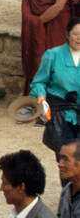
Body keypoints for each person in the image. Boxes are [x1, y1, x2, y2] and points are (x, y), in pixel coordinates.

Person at [21, 0, 73, 93]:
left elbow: (58, 6)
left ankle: (56, 103)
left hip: (56, 25)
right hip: (39, 24)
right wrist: (34, 22)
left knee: (54, 63)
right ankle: (36, 99)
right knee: (36, 61)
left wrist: (37, 23)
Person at [31, 16, 80, 152]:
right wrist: (40, 94)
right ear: (67, 34)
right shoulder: (53, 55)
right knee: (65, 157)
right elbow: (39, 82)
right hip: (61, 116)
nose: (79, 38)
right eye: (75, 34)